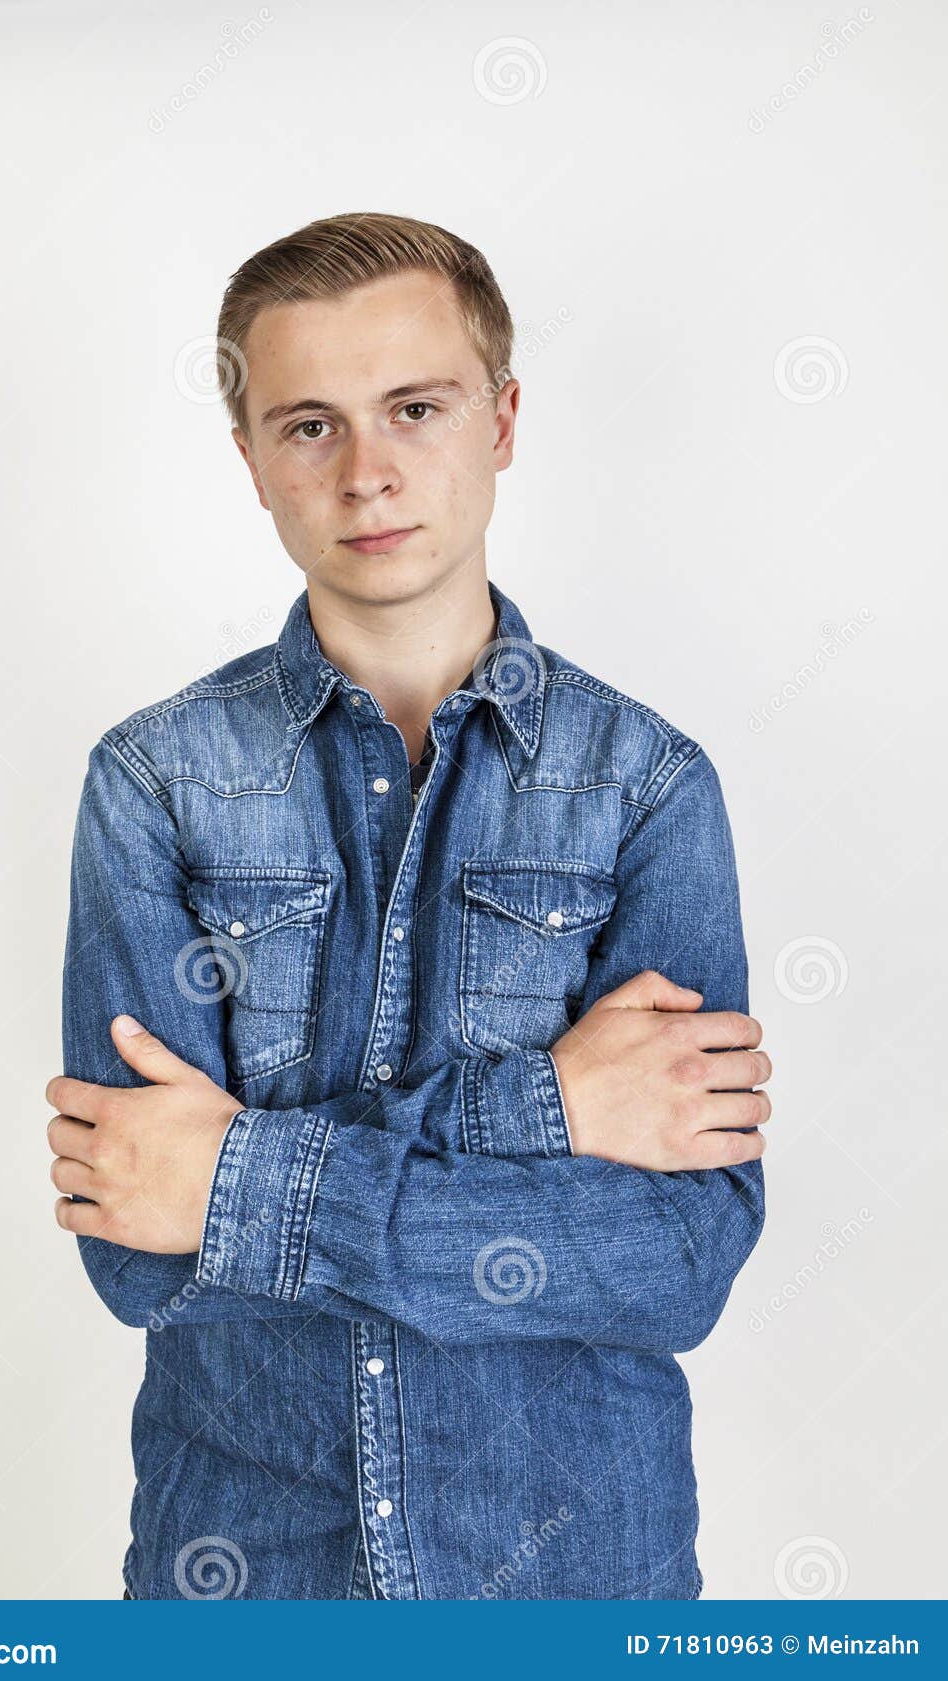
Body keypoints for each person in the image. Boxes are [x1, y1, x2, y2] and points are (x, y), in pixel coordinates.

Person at [46, 212, 771, 1602]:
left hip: (581, 1583)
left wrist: (237, 1178)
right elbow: (140, 1253)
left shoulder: (648, 787)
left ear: (500, 421)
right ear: (252, 459)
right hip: (245, 1580)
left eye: (415, 409)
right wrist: (544, 1112)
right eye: (310, 425)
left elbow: (677, 1259)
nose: (369, 474)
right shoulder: (153, 782)